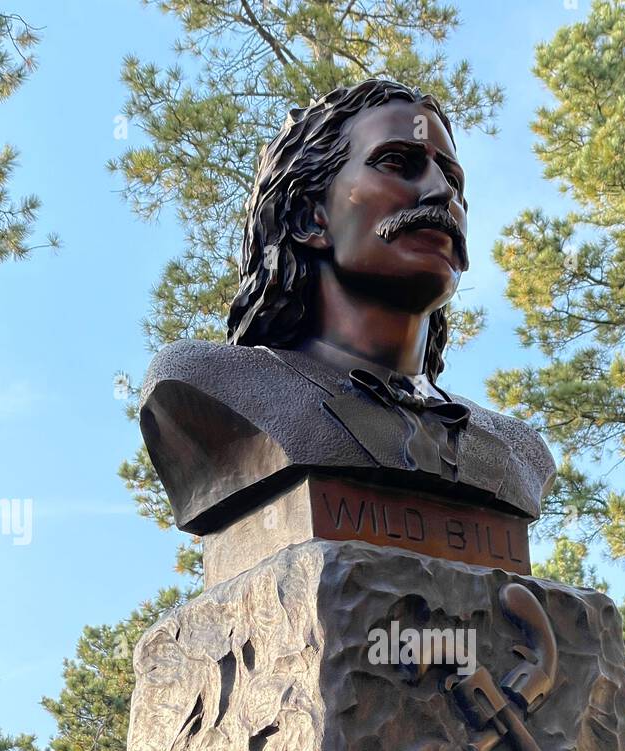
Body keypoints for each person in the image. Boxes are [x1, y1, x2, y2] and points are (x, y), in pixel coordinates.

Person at [140, 78, 555, 535]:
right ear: (308, 218)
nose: (442, 194)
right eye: (397, 162)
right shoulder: (210, 384)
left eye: (453, 180)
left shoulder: (519, 449)